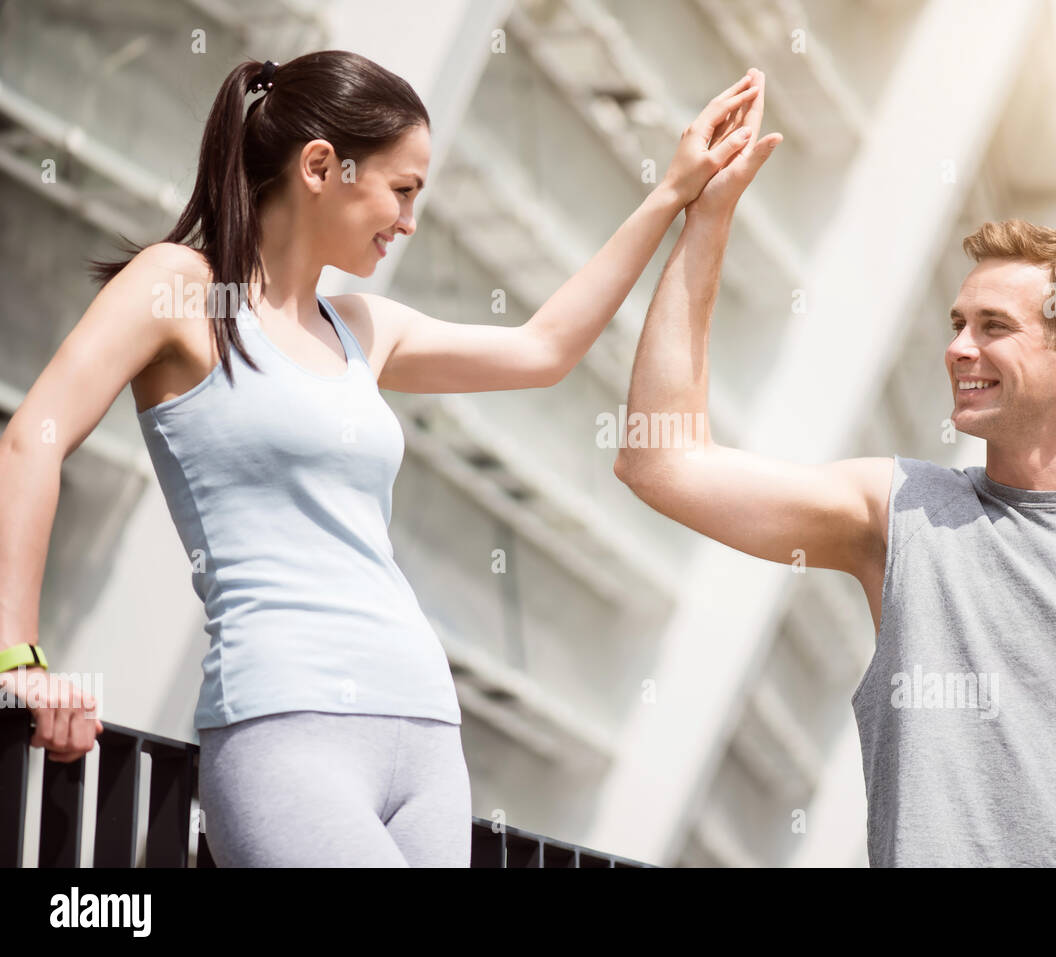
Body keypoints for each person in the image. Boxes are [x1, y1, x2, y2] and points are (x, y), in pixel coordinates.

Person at [0, 50, 763, 866]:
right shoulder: (178, 288)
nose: (408, 221)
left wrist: (674, 192)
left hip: (425, 731)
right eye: (401, 191)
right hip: (286, 723)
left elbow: (544, 347)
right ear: (322, 166)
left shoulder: (363, 326)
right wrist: (19, 654)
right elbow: (30, 438)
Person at [613, 69, 1056, 866]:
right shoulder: (896, 510)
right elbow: (660, 461)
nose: (958, 348)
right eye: (957, 322)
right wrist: (708, 212)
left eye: (993, 326)